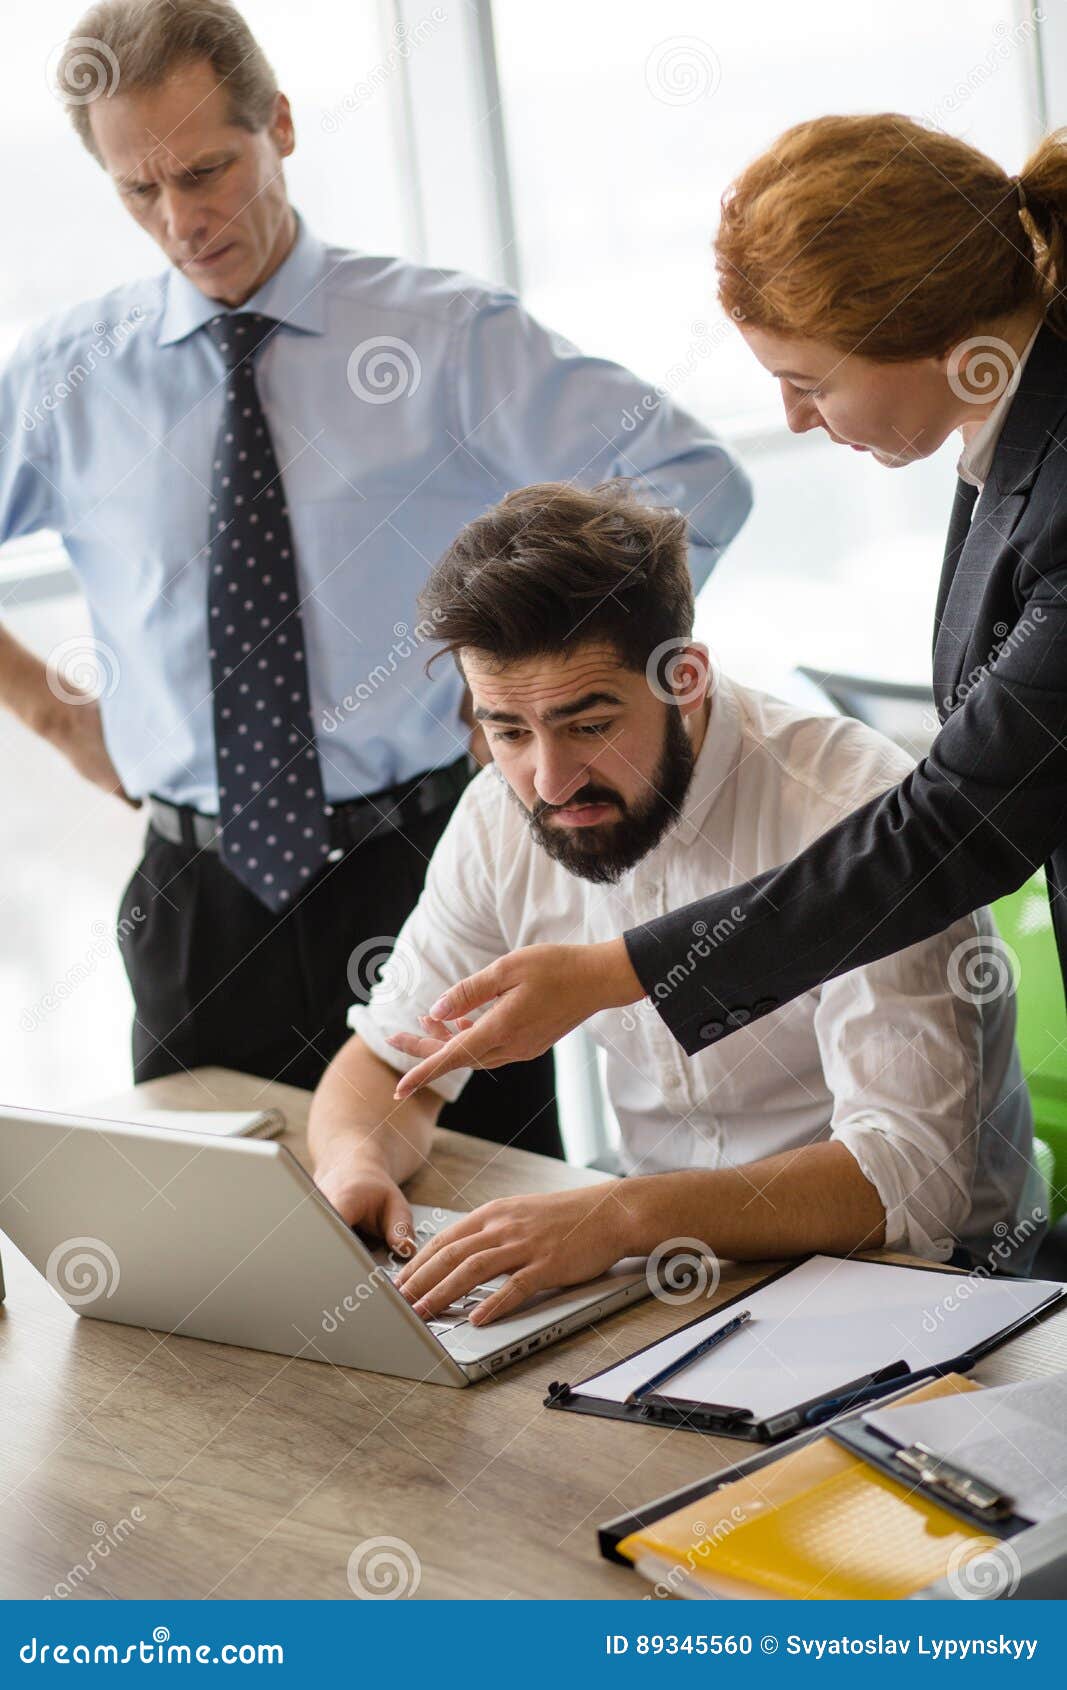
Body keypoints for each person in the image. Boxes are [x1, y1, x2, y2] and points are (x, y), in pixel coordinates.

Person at [0, 0, 751, 1157]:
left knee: (491, 1250)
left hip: (432, 874)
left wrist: (536, 682)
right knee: (220, 1273)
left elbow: (693, 480)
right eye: (139, 191)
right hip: (194, 901)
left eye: (209, 170)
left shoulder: (442, 336)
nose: (184, 221)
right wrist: (51, 709)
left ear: (283, 127)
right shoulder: (69, 374)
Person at [387, 113, 1067, 1105]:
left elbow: (957, 827)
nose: (793, 418)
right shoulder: (1003, 439)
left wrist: (613, 972)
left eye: (806, 382)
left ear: (926, 338)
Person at [307, 481, 1041, 1324]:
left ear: (684, 679)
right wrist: (352, 1165)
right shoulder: (496, 814)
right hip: (657, 1263)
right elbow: (390, 1062)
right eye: (508, 730)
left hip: (927, 1282)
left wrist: (624, 1214)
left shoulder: (859, 811)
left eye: (588, 725)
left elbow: (912, 1181)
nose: (548, 781)